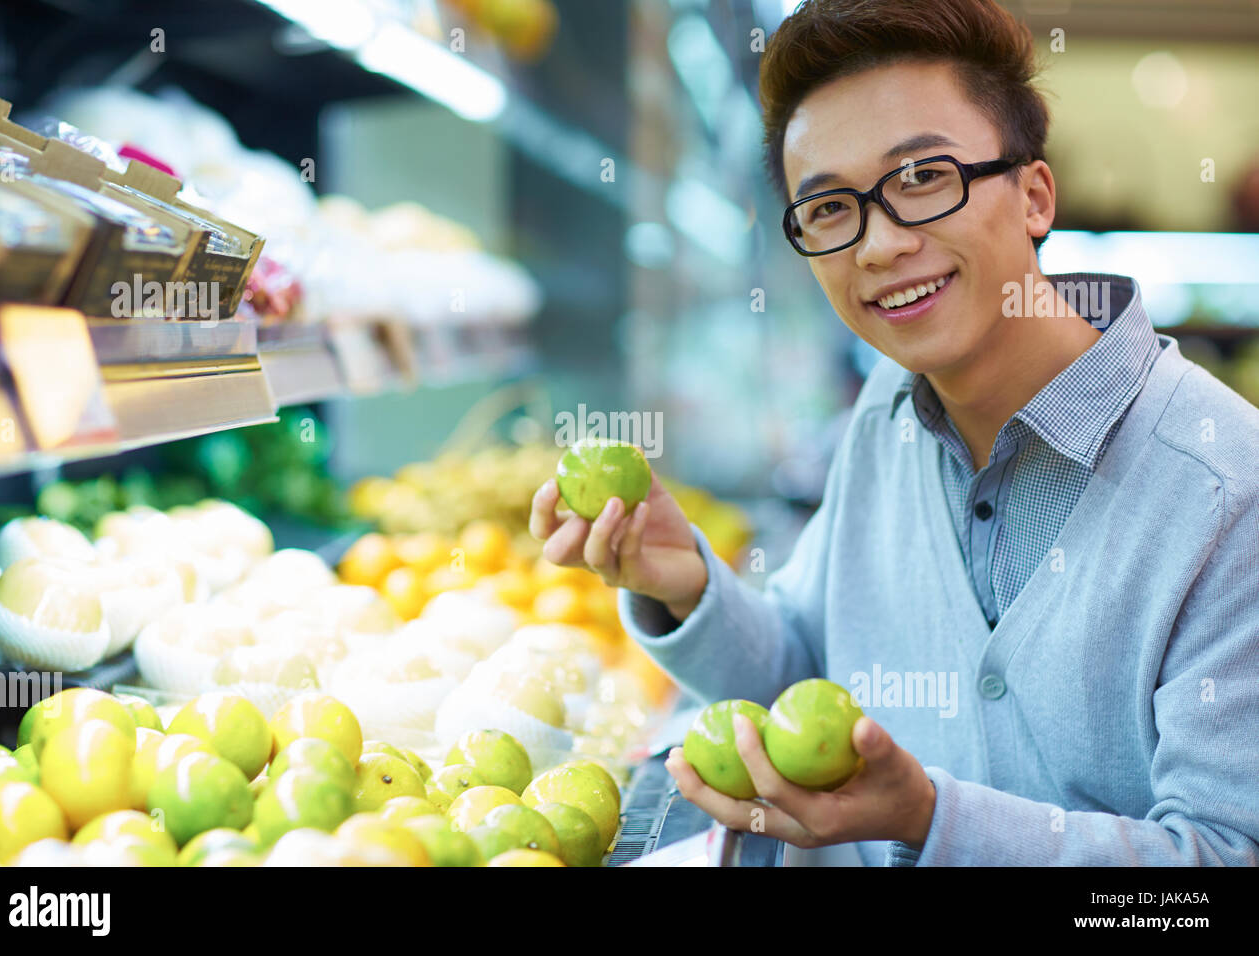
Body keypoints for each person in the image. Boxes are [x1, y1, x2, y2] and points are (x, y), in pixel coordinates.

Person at [530, 0, 1259, 866]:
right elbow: (805, 672)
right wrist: (683, 582)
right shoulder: (886, 411)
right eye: (830, 207)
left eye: (922, 178)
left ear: (1033, 196)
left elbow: (1212, 868)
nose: (878, 244)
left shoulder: (1224, 487)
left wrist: (927, 819)